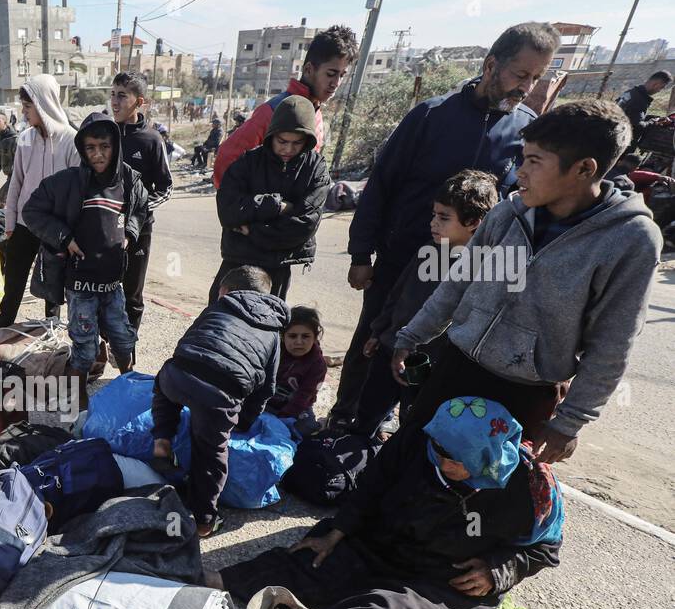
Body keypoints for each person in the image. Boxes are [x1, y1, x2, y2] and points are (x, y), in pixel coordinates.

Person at [393, 99, 663, 461]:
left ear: (584, 169)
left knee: (481, 495)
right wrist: (413, 335)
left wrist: (569, 422)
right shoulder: (509, 213)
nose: (520, 172)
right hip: (456, 367)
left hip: (525, 393)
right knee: (411, 459)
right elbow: (458, 283)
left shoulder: (630, 240)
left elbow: (612, 343)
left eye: (534, 161)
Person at [327, 22, 560, 431]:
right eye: (521, 75)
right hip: (401, 261)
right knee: (375, 340)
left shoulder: (525, 128)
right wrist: (362, 254)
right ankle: (346, 420)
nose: (527, 87)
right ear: (491, 66)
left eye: (537, 78)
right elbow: (381, 185)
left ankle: (404, 428)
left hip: (464, 273)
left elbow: (519, 203)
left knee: (432, 351)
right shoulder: (431, 115)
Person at [211, 398, 564, 609]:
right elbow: (371, 487)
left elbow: (546, 549)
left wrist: (496, 571)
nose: (439, 461)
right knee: (312, 560)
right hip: (384, 544)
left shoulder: (530, 490)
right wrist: (337, 532)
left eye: (453, 457)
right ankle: (203, 579)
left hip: (439, 579)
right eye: (437, 450)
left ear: (485, 455)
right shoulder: (418, 444)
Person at [353, 169, 499, 436]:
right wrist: (379, 331)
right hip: (392, 347)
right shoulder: (428, 251)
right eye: (434, 214)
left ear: (474, 222)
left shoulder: (482, 268)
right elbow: (397, 295)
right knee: (368, 413)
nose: (433, 223)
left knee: (416, 422)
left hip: (430, 363)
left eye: (443, 217)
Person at [148, 266, 287, 538]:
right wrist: (243, 421)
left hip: (180, 372)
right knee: (210, 454)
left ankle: (162, 440)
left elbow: (186, 343)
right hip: (220, 395)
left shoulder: (216, 308)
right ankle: (204, 520)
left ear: (225, 291)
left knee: (164, 388)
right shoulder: (273, 331)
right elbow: (266, 389)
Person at [21, 112, 149, 401]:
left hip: (112, 284)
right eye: (90, 148)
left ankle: (128, 392)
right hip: (80, 286)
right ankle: (77, 406)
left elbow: (142, 207)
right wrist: (64, 237)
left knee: (123, 338)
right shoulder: (68, 182)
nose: (98, 154)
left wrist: (130, 231)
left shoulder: (128, 179)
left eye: (104, 146)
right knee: (84, 348)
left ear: (115, 145)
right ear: (82, 149)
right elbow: (32, 211)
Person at [214, 94, 330, 302]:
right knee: (218, 323)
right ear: (271, 135)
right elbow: (228, 210)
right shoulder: (249, 162)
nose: (288, 149)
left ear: (307, 140)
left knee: (266, 326)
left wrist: (252, 230)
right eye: (282, 141)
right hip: (238, 260)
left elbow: (304, 225)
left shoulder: (316, 169)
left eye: (297, 143)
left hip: (278, 267)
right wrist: (277, 206)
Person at [212, 25, 359, 188]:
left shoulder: (315, 112)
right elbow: (225, 161)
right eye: (331, 74)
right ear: (309, 69)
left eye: (342, 75)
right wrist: (252, 205)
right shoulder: (273, 111)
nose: (336, 83)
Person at [0, 75, 79, 328]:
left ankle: (50, 338)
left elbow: (78, 192)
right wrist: (10, 223)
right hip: (24, 224)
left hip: (54, 228)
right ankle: (2, 332)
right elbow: (16, 183)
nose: (23, 112)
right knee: (13, 285)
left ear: (43, 103)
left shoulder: (71, 140)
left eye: (27, 106)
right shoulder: (25, 139)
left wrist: (70, 232)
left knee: (51, 288)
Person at [109, 71, 173, 340]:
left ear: (140, 102)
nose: (115, 101)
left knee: (132, 293)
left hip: (138, 231)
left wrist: (139, 212)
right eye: (112, 94)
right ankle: (104, 343)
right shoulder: (107, 135)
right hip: (105, 228)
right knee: (103, 288)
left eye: (122, 96)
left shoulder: (151, 140)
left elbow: (165, 187)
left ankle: (126, 347)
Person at [265, 306, 327, 437]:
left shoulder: (318, 365)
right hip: (269, 400)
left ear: (315, 338)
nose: (299, 342)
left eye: (305, 336)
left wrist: (282, 418)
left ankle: (321, 424)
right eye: (292, 336)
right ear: (283, 336)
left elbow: (304, 396)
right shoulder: (275, 351)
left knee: (305, 429)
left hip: (297, 406)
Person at [616, 71, 672, 144]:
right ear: (655, 84)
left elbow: (630, 116)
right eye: (661, 87)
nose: (659, 91)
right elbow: (637, 126)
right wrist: (654, 122)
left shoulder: (631, 92)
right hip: (620, 142)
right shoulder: (640, 99)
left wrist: (650, 118)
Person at [0, 111, 17, 196]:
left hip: (16, 178)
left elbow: (21, 164)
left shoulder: (15, 140)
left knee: (1, 200)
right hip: (10, 177)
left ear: (5, 123)